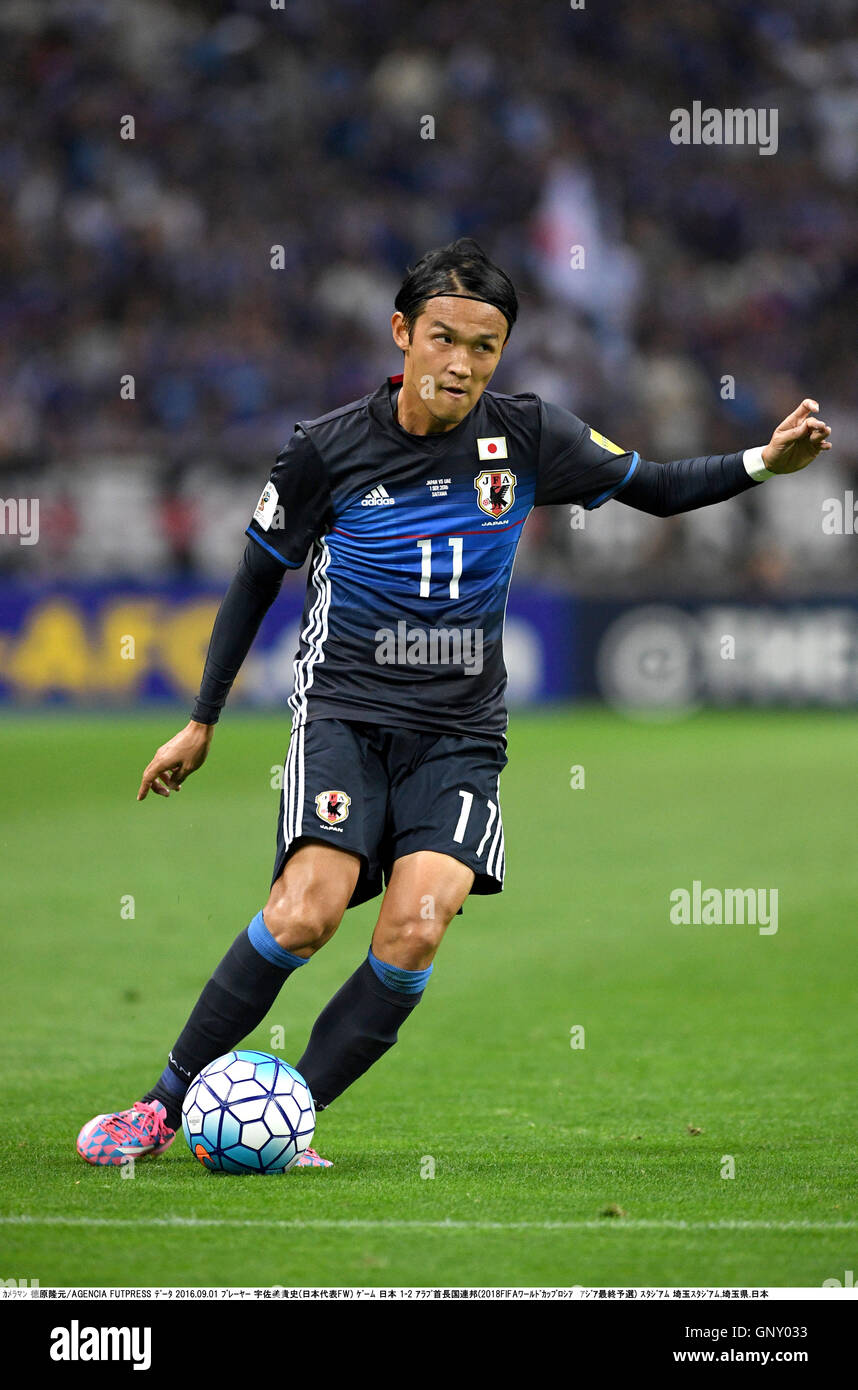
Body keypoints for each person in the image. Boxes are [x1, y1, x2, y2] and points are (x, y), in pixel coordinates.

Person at [76, 238, 832, 1168]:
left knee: (419, 924)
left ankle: (283, 1118)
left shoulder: (529, 434)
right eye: (445, 339)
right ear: (403, 333)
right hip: (344, 713)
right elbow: (252, 581)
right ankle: (158, 1107)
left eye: (485, 347)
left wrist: (764, 460)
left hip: (461, 734)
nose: (462, 364)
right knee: (306, 912)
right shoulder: (324, 451)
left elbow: (657, 490)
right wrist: (202, 721)